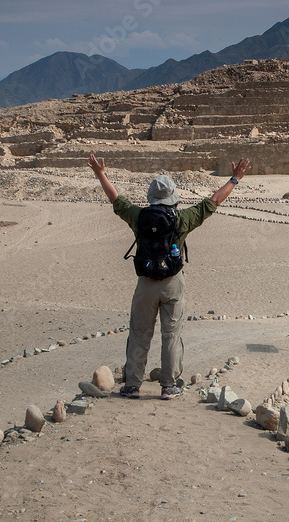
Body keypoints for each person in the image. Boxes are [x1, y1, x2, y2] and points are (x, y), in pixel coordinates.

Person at [88, 153, 251, 400]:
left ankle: (132, 385)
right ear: (173, 197)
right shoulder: (182, 219)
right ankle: (169, 386)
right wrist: (235, 179)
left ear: (151, 197)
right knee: (171, 335)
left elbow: (116, 199)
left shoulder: (138, 217)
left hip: (145, 284)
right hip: (172, 283)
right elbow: (213, 201)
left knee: (140, 334)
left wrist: (100, 174)